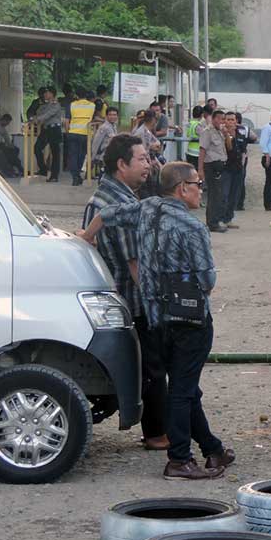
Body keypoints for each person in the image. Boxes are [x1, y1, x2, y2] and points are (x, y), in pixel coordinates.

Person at [80, 162, 234, 480]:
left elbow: (106, 216)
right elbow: (207, 280)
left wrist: (86, 237)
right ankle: (179, 459)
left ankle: (212, 448)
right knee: (182, 389)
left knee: (185, 387)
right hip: (190, 320)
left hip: (156, 318)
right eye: (198, 183)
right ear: (182, 188)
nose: (201, 189)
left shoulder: (146, 208)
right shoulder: (193, 228)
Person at [82, 134, 169, 451]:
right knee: (153, 368)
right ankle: (158, 433)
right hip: (133, 302)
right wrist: (158, 306)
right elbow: (137, 266)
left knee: (147, 366)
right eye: (143, 159)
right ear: (122, 164)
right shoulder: (122, 206)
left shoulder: (98, 199)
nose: (149, 165)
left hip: (114, 299)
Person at [199, 109, 230, 233]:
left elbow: (227, 147)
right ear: (213, 119)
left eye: (223, 119)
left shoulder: (220, 132)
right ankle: (212, 223)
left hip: (220, 166)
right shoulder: (207, 132)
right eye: (220, 119)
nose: (222, 122)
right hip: (211, 166)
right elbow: (202, 151)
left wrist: (226, 134)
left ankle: (216, 220)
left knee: (219, 194)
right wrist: (200, 169)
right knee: (213, 195)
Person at [30, 86, 66, 182]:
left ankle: (54, 176)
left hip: (54, 129)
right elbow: (38, 113)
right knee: (37, 148)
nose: (45, 95)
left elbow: (47, 115)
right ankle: (43, 169)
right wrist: (33, 119)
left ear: (52, 94)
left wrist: (37, 119)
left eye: (47, 93)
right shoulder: (43, 105)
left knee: (55, 153)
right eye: (44, 93)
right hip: (45, 129)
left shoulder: (56, 104)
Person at [220, 111, 248, 229]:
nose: (230, 122)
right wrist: (227, 135)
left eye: (232, 120)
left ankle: (228, 219)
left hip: (238, 168)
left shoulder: (240, 133)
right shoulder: (221, 134)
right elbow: (229, 148)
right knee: (224, 194)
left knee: (234, 195)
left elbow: (243, 149)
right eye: (228, 120)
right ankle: (220, 218)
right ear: (224, 121)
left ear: (236, 121)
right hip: (226, 168)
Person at [66, 89, 96, 186]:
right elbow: (95, 118)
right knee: (82, 155)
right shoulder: (92, 106)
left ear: (77, 95)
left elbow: (67, 121)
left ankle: (75, 177)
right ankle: (78, 174)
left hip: (73, 133)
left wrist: (67, 132)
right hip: (85, 134)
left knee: (73, 156)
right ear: (86, 95)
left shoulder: (72, 105)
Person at [91, 107, 120, 177]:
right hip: (104, 156)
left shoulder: (113, 126)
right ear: (106, 116)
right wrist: (93, 158)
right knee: (103, 177)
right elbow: (96, 143)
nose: (113, 117)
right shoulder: (104, 127)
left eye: (115, 115)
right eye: (110, 115)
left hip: (111, 156)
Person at [185, 106, 203, 170]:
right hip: (197, 154)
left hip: (189, 151)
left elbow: (187, 134)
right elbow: (203, 137)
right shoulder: (198, 125)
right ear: (201, 115)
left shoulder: (190, 123)